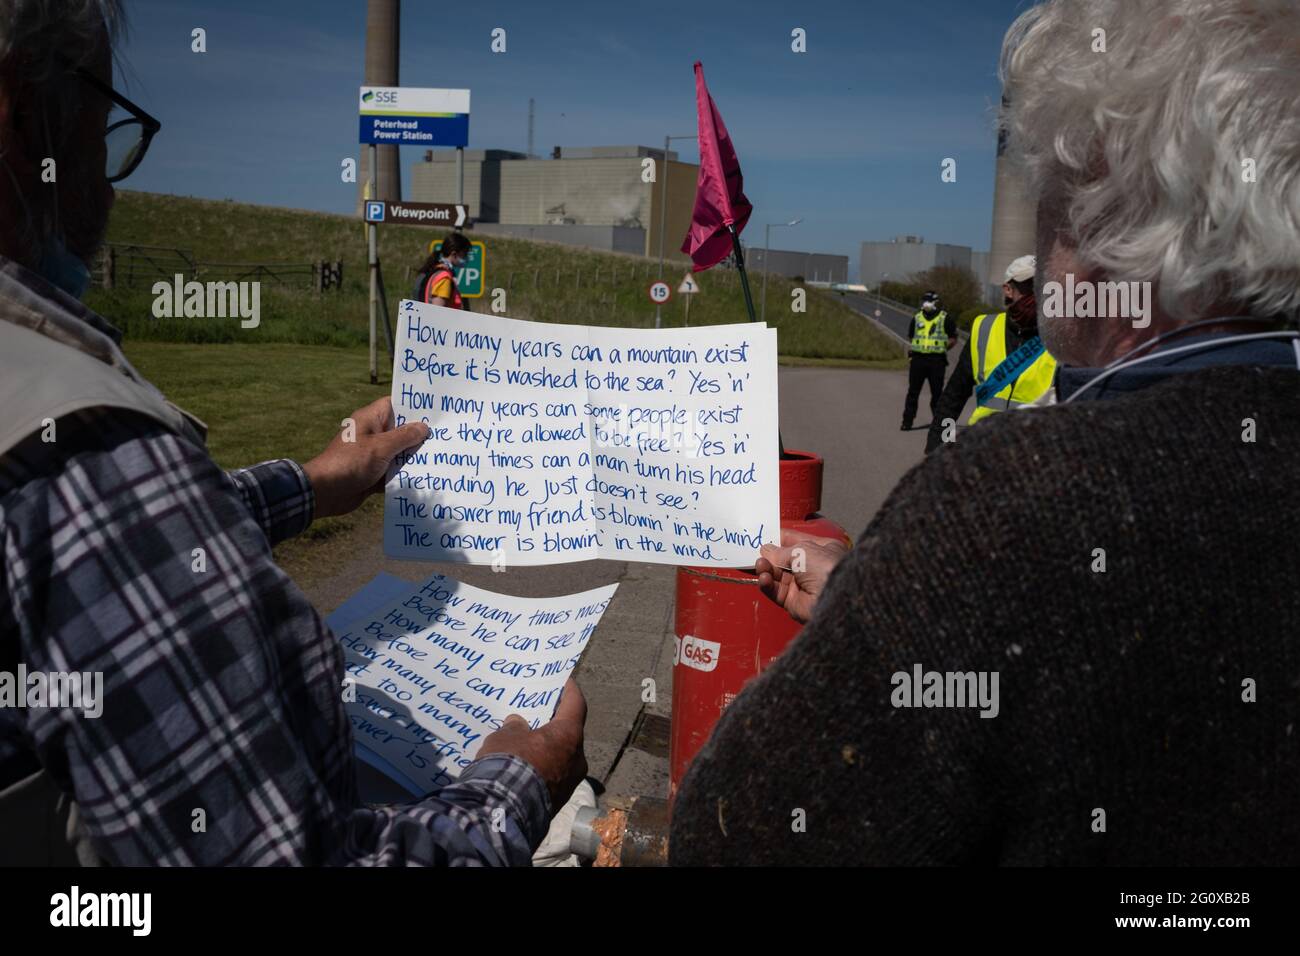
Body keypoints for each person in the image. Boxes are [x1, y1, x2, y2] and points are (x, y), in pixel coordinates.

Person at [670, 0, 1300, 865]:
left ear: (1101, 218)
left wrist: (917, 600)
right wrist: (887, 598)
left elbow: (738, 835)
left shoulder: (1014, 505)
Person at [0, 0, 585, 866]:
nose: (113, 176)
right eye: (103, 119)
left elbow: (122, 543)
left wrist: (315, 483)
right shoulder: (90, 458)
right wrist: (516, 781)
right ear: (21, 118)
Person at [924, 255, 1056, 453]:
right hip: (983, 450)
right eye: (1030, 287)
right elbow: (953, 399)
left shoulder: (1061, 340)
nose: (1038, 295)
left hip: (1034, 457)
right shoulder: (984, 329)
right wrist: (939, 449)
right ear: (1008, 290)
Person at [900, 291, 956, 431]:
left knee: (937, 394)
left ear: (935, 302)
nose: (926, 303)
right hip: (918, 359)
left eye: (929, 301)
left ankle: (938, 424)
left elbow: (953, 338)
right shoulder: (917, 317)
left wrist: (943, 347)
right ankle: (907, 421)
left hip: (936, 361)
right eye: (924, 300)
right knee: (913, 392)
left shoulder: (945, 318)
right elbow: (911, 336)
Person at [414, 231, 472, 309]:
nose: (467, 258)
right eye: (465, 254)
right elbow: (438, 311)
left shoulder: (433, 269)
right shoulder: (444, 278)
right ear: (454, 254)